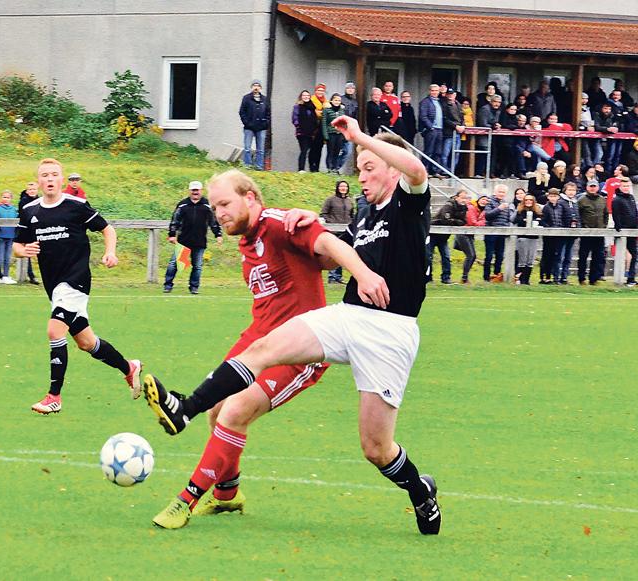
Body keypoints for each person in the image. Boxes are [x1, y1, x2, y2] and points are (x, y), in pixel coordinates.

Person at [143, 115, 442, 536]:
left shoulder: (408, 203)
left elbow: (418, 170)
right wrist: (306, 221)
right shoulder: (363, 217)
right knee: (264, 348)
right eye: (357, 169)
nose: (361, 177)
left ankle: (419, 490)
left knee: (375, 448)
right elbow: (324, 255)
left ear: (391, 167)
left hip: (391, 331)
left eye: (369, 167)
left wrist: (359, 137)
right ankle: (184, 409)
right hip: (348, 317)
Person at [151, 169, 367, 528]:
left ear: (250, 197)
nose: (218, 212)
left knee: (235, 411)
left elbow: (327, 246)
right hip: (259, 339)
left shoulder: (280, 223)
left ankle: (185, 500)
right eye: (215, 205)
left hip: (301, 349)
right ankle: (227, 495)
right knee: (217, 409)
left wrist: (364, 275)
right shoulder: (247, 239)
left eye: (225, 203)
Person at [14, 158, 142, 414]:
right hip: (53, 286)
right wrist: (23, 251)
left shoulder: (77, 206)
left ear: (61, 180)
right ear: (38, 181)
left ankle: (54, 396)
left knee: (54, 331)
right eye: (44, 175)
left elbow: (107, 229)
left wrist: (111, 253)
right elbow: (17, 246)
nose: (49, 179)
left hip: (76, 279)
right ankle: (129, 368)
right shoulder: (29, 211)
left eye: (54, 174)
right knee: (86, 342)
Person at [164, 181, 223, 294]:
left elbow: (213, 221)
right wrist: (172, 235)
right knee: (174, 264)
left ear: (201, 191)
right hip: (183, 240)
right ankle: (168, 285)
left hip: (199, 241)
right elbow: (174, 220)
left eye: (197, 190)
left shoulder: (207, 205)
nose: (195, 192)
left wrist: (218, 234)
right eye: (193, 190)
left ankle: (194, 287)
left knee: (197, 266)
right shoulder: (182, 205)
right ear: (190, 191)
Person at [429, 190, 469, 284]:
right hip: (433, 234)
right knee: (429, 256)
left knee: (446, 256)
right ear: (456, 197)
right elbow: (445, 219)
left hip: (444, 237)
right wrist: (456, 221)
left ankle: (446, 278)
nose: (464, 200)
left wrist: (455, 221)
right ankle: (428, 277)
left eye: (465, 198)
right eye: (462, 197)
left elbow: (463, 222)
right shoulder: (449, 205)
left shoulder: (464, 208)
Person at [319, 180, 355, 283]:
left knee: (344, 253)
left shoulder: (350, 201)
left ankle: (339, 276)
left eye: (345, 187)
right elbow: (324, 213)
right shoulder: (331, 200)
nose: (343, 188)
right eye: (341, 186)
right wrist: (331, 223)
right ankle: (332, 276)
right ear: (337, 188)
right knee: (334, 253)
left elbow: (352, 215)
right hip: (334, 231)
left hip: (346, 231)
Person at [577, 179, 609, 285]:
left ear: (597, 187)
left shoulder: (602, 200)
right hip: (586, 233)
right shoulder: (581, 200)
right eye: (591, 186)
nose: (592, 188)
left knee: (598, 257)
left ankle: (593, 279)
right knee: (583, 256)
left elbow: (606, 214)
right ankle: (581, 278)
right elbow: (578, 215)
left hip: (599, 233)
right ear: (587, 187)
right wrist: (583, 227)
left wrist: (604, 226)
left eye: (594, 186)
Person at [611, 178, 638, 286]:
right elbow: (615, 214)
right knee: (621, 254)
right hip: (622, 231)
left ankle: (630, 278)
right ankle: (620, 278)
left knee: (634, 254)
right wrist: (618, 227)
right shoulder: (617, 199)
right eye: (624, 186)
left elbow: (635, 213)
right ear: (620, 187)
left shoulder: (631, 197)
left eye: (628, 186)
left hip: (632, 231)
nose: (626, 188)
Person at [239, 80, 270, 171]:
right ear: (251, 87)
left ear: (260, 88)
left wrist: (265, 123)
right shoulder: (246, 98)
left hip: (261, 128)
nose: (256, 87)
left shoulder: (265, 99)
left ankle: (259, 166)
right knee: (247, 148)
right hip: (249, 127)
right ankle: (247, 165)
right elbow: (242, 112)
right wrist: (247, 123)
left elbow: (268, 112)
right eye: (254, 85)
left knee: (260, 149)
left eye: (258, 86)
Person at [483, 184, 512, 282]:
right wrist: (499, 208)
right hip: (491, 232)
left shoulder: (506, 204)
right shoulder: (489, 202)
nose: (501, 194)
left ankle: (496, 275)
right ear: (495, 192)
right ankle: (486, 277)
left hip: (502, 233)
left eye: (503, 192)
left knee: (500, 256)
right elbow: (487, 216)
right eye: (500, 191)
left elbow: (508, 219)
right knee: (489, 255)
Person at [539, 188, 567, 285]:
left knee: (556, 256)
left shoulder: (561, 207)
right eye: (551, 196)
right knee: (546, 256)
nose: (553, 198)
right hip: (549, 236)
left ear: (558, 197)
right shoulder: (546, 207)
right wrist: (549, 228)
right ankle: (544, 276)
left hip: (558, 235)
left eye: (555, 196)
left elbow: (563, 219)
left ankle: (554, 276)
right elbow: (543, 220)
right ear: (548, 197)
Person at [512, 193, 542, 285]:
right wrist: (524, 220)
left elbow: (542, 221)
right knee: (522, 259)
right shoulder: (520, 211)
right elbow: (515, 220)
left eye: (530, 200)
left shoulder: (537, 212)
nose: (528, 202)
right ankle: (520, 279)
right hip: (523, 237)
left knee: (530, 259)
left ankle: (526, 280)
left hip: (533, 238)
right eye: (526, 200)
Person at [18, 182, 41, 284]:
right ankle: (31, 275)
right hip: (28, 230)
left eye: (34, 189)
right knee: (28, 251)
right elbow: (24, 216)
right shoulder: (23, 201)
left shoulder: (40, 200)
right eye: (30, 190)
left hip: (39, 229)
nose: (32, 191)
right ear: (27, 191)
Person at [418, 84, 445, 175]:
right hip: (431, 130)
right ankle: (423, 170)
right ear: (429, 91)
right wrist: (430, 127)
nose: (435, 92)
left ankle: (435, 171)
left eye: (436, 90)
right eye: (433, 90)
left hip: (440, 129)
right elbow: (423, 116)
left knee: (438, 151)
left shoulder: (440, 102)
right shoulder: (425, 102)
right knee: (428, 150)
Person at [558, 182, 581, 284]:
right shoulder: (561, 202)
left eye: (573, 190)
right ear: (565, 190)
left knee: (568, 257)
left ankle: (564, 277)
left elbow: (578, 217)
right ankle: (557, 276)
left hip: (572, 234)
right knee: (560, 256)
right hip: (562, 234)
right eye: (569, 190)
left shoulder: (576, 203)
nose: (571, 192)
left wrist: (578, 228)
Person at [453, 192, 478, 284]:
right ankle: (464, 278)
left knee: (472, 255)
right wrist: (480, 223)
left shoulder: (474, 208)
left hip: (468, 233)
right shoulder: (469, 208)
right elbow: (472, 222)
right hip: (464, 233)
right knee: (471, 255)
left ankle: (465, 277)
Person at [475, 95, 503, 177]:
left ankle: (489, 173)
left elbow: (495, 121)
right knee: (482, 154)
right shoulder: (485, 109)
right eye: (495, 102)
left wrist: (497, 125)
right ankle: (478, 173)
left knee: (492, 154)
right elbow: (482, 123)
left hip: (492, 136)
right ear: (491, 101)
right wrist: (493, 126)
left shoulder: (498, 111)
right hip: (483, 136)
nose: (497, 104)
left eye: (499, 102)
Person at [0, 190, 18, 284]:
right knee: (0, 257)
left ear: (11, 199)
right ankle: (0, 276)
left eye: (8, 197)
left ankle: (6, 275)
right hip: (1, 235)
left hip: (11, 235)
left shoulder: (14, 209)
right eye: (4, 197)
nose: (6, 199)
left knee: (7, 257)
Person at [292, 90, 318, 173]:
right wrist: (298, 126)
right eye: (304, 95)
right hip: (301, 132)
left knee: (310, 150)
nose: (306, 97)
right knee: (304, 149)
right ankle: (301, 168)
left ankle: (312, 168)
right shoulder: (298, 106)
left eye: (307, 95)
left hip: (311, 133)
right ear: (301, 97)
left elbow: (314, 119)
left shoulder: (312, 106)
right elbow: (295, 118)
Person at [322, 93, 346, 173]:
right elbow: (324, 122)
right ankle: (329, 168)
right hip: (330, 133)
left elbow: (344, 123)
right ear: (331, 101)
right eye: (335, 100)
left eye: (339, 100)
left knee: (337, 151)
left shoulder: (342, 110)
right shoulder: (327, 110)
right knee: (330, 151)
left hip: (339, 134)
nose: (337, 102)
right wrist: (325, 135)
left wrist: (344, 133)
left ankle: (335, 168)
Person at [309, 84, 328, 172]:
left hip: (322, 127)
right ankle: (311, 167)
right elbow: (314, 112)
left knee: (319, 148)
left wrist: (321, 113)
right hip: (313, 127)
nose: (320, 92)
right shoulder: (312, 100)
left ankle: (317, 167)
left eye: (322, 91)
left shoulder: (326, 102)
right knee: (312, 148)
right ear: (315, 91)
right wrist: (321, 113)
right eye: (318, 90)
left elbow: (327, 113)